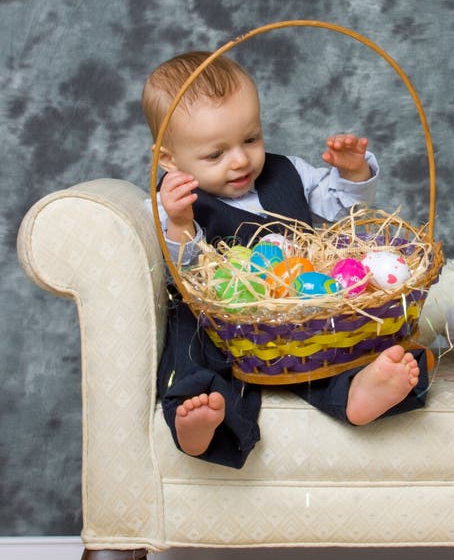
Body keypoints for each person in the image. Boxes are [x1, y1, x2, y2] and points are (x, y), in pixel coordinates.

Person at [142, 51, 429, 468]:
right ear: (168, 159)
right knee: (193, 352)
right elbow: (185, 271)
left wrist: (351, 175)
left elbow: (340, 211)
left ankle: (355, 393)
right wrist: (182, 221)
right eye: (214, 154)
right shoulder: (173, 202)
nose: (240, 160)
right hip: (226, 322)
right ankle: (200, 423)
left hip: (302, 314)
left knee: (341, 338)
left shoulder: (287, 172)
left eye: (251, 139)